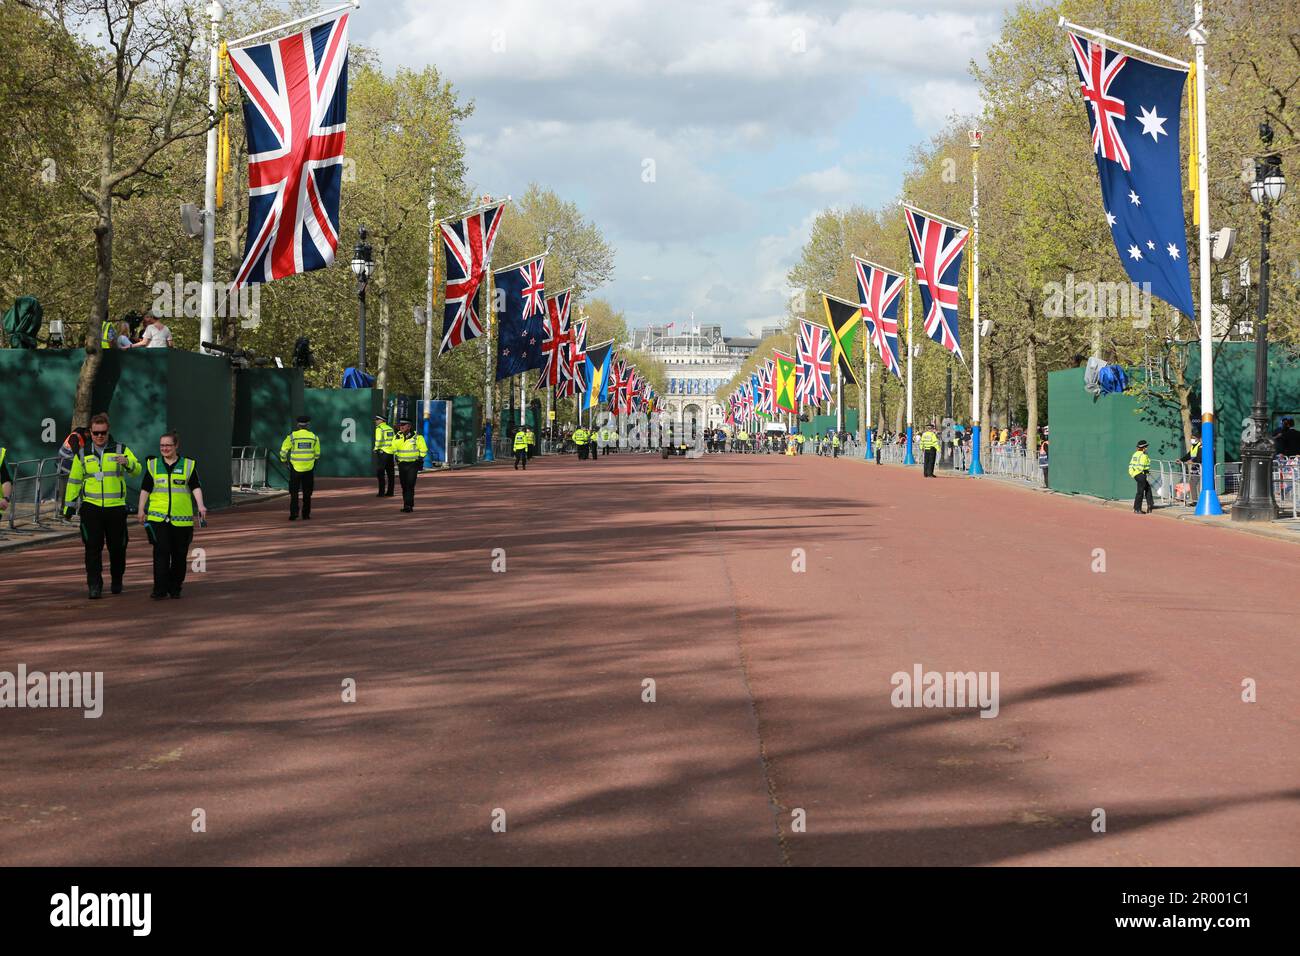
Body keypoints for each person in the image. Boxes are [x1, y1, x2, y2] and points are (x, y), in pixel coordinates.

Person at [62, 412, 141, 599]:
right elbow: (74, 480)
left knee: (118, 548)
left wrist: (128, 463)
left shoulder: (120, 449)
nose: (99, 436)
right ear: (90, 432)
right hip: (92, 508)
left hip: (116, 508)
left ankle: (117, 580)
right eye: (96, 433)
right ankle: (94, 586)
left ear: (108, 431)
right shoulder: (82, 453)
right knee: (92, 549)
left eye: (103, 433)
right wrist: (69, 507)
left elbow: (137, 470)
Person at [137, 431, 207, 599]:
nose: (165, 448)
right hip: (158, 518)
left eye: (168, 445)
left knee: (179, 555)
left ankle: (175, 587)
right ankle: (159, 589)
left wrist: (200, 505)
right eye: (162, 445)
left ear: (176, 446)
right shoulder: (153, 465)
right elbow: (145, 489)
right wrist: (141, 509)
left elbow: (195, 487)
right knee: (160, 553)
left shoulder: (188, 465)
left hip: (182, 519)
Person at [280, 415, 320, 520]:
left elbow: (283, 451)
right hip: (309, 469)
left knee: (294, 492)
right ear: (308, 425)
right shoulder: (314, 437)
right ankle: (306, 514)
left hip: (295, 469)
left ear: (298, 425)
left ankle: (294, 514)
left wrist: (284, 461)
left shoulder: (292, 437)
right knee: (307, 493)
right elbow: (317, 454)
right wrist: (313, 462)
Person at [391, 419, 428, 512]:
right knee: (404, 485)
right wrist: (396, 458)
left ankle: (409, 505)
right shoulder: (397, 436)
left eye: (404, 425)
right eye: (400, 425)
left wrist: (420, 459)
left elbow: (423, 449)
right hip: (402, 464)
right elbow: (393, 448)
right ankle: (406, 505)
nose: (401, 427)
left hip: (413, 464)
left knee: (410, 485)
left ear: (409, 426)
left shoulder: (417, 437)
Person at [373, 414, 396, 497]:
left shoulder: (379, 428)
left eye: (377, 420)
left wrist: (376, 448)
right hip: (390, 453)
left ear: (382, 421)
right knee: (390, 473)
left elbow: (378, 440)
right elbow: (394, 440)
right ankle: (390, 492)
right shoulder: (390, 428)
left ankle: (381, 492)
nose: (375, 421)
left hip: (383, 452)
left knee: (380, 472)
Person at [1129, 439, 1153, 514]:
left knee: (1147, 488)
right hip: (1141, 474)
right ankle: (1137, 509)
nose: (1147, 448)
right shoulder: (1143, 455)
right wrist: (1145, 472)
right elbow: (1142, 466)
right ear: (1143, 448)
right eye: (1146, 447)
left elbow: (1131, 465)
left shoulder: (1135, 454)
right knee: (1140, 492)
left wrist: (1133, 474)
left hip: (1136, 474)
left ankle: (1150, 505)